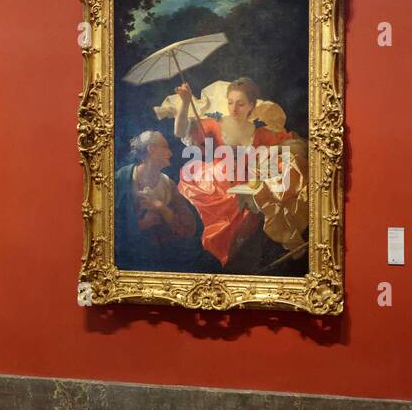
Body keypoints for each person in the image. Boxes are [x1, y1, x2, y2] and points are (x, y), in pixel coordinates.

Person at [172, 77, 300, 266]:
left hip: (245, 183)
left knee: (256, 212)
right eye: (230, 103)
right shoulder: (212, 125)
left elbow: (278, 152)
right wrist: (185, 102)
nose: (233, 109)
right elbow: (179, 131)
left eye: (240, 104)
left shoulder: (259, 133)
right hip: (217, 184)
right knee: (229, 217)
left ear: (251, 105)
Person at [114, 131, 218, 272]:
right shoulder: (122, 178)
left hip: (164, 252)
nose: (170, 153)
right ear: (152, 149)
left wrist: (160, 207)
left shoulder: (168, 184)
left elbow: (189, 228)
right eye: (166, 148)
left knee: (209, 262)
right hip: (132, 255)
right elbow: (108, 227)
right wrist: (140, 225)